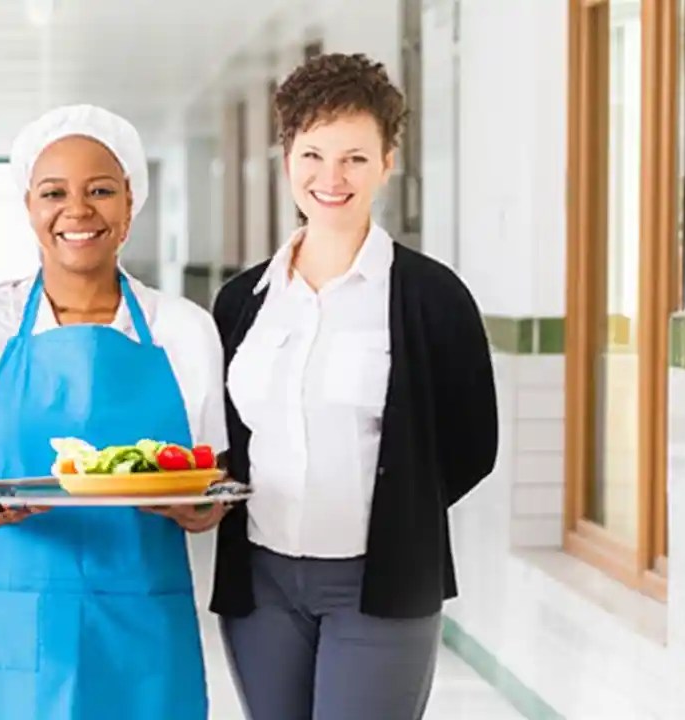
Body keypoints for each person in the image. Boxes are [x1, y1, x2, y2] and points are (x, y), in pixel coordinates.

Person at [0, 104, 228, 720]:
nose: (78, 211)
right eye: (54, 192)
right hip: (15, 623)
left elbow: (210, 484)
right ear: (29, 207)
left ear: (130, 204)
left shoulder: (184, 330)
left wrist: (195, 507)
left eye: (101, 191)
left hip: (142, 620)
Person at [209, 53, 498, 719]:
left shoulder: (432, 296)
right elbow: (225, 433)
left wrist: (396, 509)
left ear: (388, 162)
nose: (330, 178)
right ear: (286, 157)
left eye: (355, 158)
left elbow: (470, 446)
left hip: (382, 582)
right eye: (312, 154)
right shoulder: (243, 299)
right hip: (261, 583)